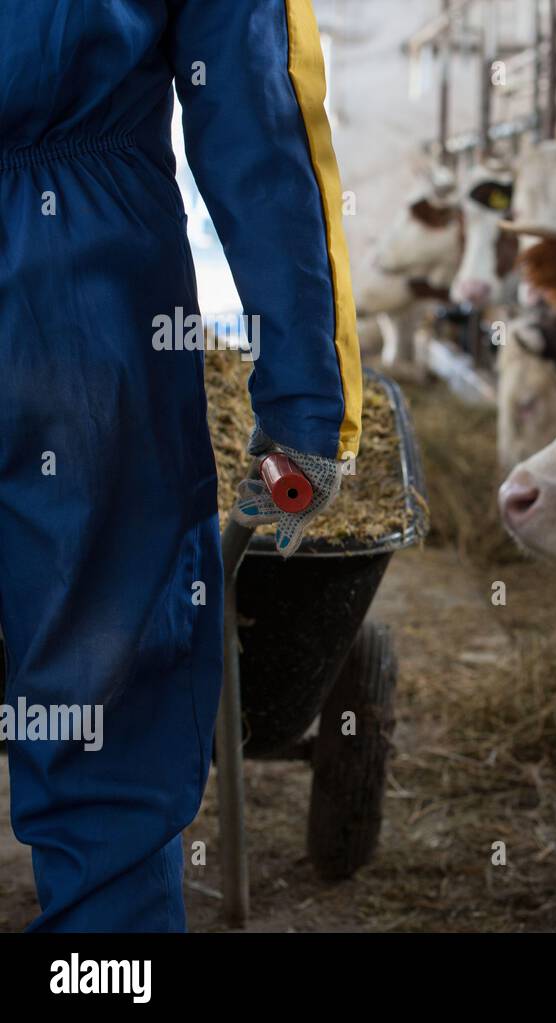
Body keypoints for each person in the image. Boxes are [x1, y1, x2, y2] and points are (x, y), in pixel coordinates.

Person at [0, 0, 360, 931]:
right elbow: (260, 113)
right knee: (103, 703)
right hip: (83, 299)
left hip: (81, 278)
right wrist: (309, 404)